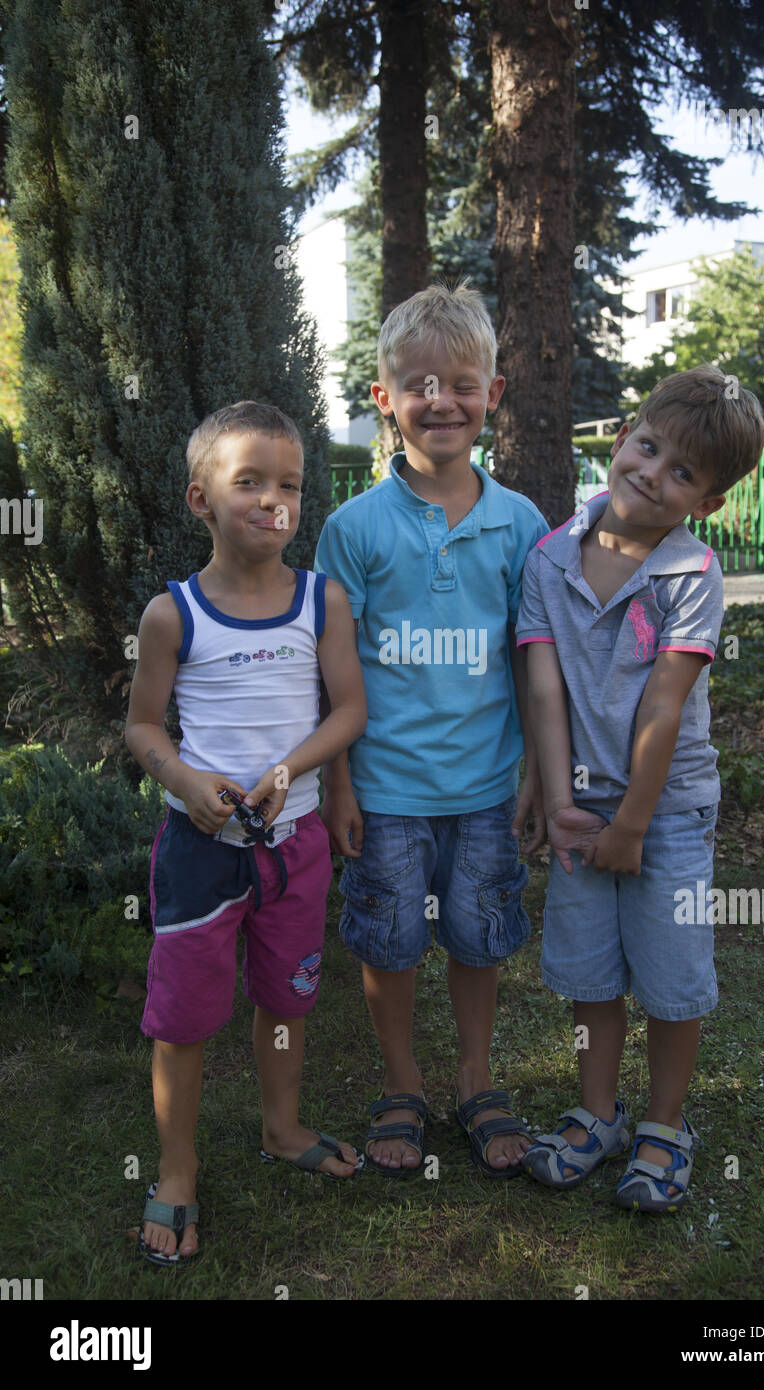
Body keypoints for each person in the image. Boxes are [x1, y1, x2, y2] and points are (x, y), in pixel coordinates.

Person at [315, 282, 601, 1177]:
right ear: (384, 399)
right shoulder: (351, 528)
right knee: (390, 939)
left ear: (494, 395)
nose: (441, 400)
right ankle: (402, 1082)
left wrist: (532, 773)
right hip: (387, 787)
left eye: (461, 383)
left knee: (479, 937)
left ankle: (476, 1080)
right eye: (419, 384)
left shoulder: (521, 525)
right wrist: (338, 778)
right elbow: (336, 665)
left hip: (486, 783)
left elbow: (534, 659)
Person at [516, 365, 764, 1211]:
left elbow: (666, 699)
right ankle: (597, 1113)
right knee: (589, 975)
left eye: (683, 472)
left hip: (667, 813)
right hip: (581, 809)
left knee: (670, 974)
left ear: (709, 502)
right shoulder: (549, 555)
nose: (653, 474)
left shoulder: (691, 571)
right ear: (624, 435)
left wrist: (632, 822)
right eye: (649, 447)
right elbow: (543, 690)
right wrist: (558, 802)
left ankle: (664, 1125)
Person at [126, 401, 367, 1264]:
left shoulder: (320, 601)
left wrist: (289, 773)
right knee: (184, 1018)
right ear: (200, 500)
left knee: (284, 998)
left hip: (293, 851)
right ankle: (177, 1168)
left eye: (292, 485)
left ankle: (279, 1124)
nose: (276, 501)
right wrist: (187, 781)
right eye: (251, 483)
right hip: (199, 855)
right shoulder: (173, 615)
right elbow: (143, 728)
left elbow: (350, 711)